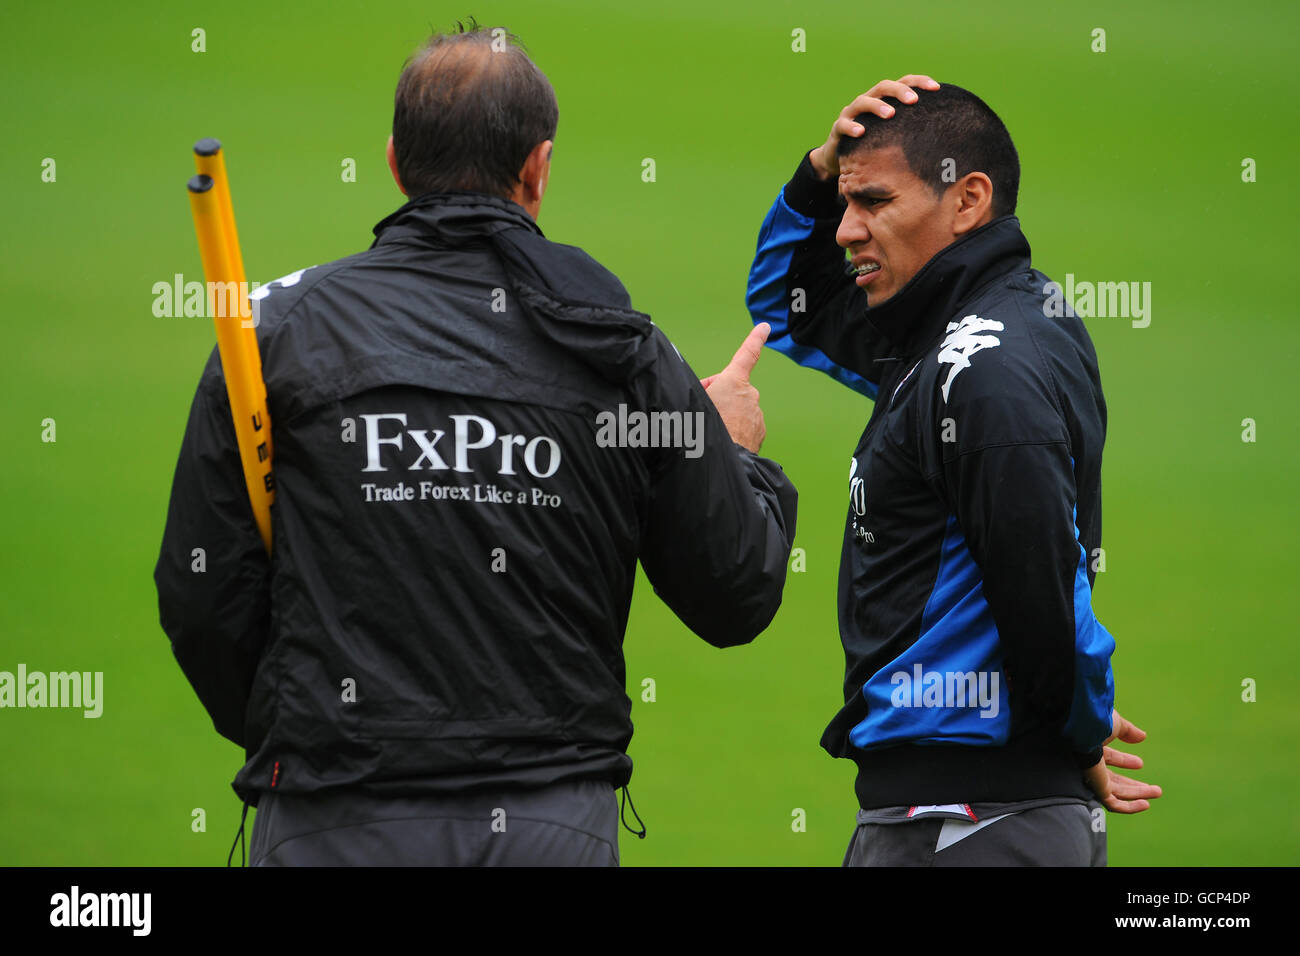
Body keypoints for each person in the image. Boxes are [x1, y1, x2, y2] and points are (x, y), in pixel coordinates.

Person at [154, 23, 798, 867]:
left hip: (333, 814)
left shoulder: (275, 333)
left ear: (394, 163)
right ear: (538, 167)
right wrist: (734, 453)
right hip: (548, 823)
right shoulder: (624, 347)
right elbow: (734, 591)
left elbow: (202, 592)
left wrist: (305, 728)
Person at [746, 75, 1160, 866]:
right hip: (961, 812)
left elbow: (1045, 579)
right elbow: (784, 302)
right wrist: (816, 171)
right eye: (842, 204)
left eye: (872, 203)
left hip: (969, 822)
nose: (844, 230)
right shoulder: (952, 335)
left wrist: (1066, 738)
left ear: (966, 199)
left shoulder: (982, 369)